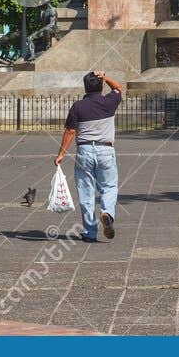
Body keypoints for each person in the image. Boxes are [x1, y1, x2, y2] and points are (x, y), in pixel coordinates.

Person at [55, 70, 125, 242]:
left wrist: (61, 154)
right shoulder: (109, 101)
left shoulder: (78, 106)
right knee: (109, 186)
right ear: (101, 86)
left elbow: (71, 131)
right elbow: (118, 88)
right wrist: (105, 76)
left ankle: (90, 232)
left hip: (84, 151)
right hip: (106, 149)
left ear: (85, 87)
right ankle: (107, 212)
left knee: (85, 192)